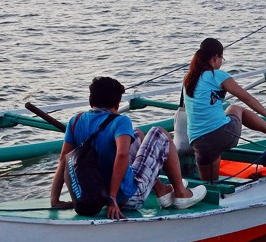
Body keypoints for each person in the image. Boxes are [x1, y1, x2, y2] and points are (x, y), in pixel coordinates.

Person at [49, 76, 205, 219]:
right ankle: (181, 193)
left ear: (91, 102)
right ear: (117, 104)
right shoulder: (120, 121)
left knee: (136, 135)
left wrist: (55, 200)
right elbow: (122, 155)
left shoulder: (75, 121)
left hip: (96, 195)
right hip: (127, 198)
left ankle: (162, 190)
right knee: (159, 133)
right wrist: (113, 198)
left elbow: (64, 159)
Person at [183, 37, 266, 182]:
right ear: (215, 57)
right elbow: (247, 99)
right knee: (235, 107)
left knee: (210, 184)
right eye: (221, 58)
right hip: (222, 135)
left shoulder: (189, 78)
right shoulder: (217, 75)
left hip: (198, 142)